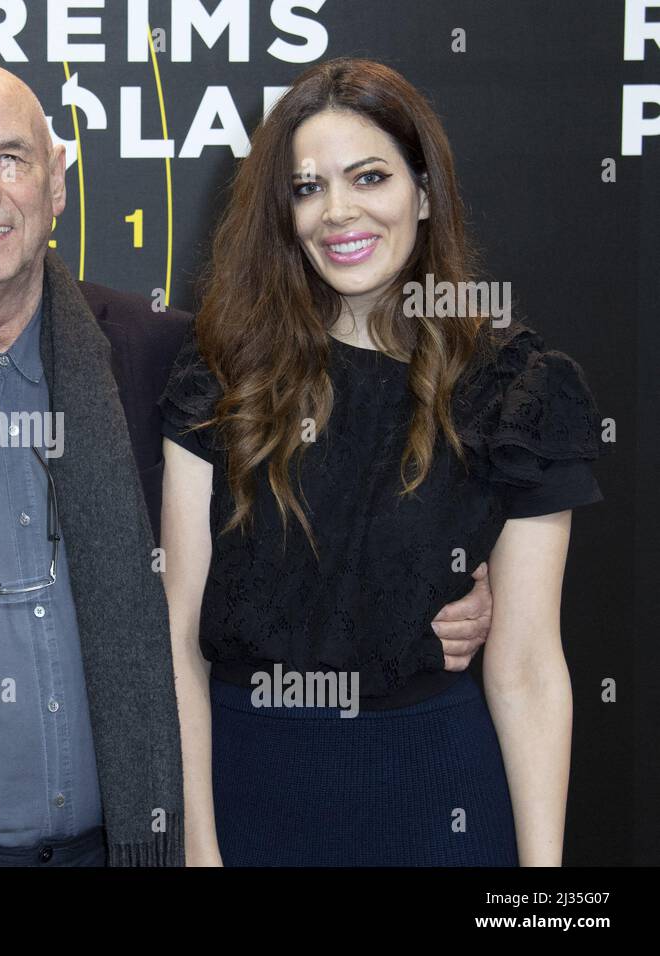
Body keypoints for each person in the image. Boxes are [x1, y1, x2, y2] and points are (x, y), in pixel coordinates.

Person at [0, 60, 495, 867]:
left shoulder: (171, 355)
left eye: (12, 158)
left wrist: (445, 572)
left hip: (136, 843)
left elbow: (310, 520)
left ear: (56, 181)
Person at [160, 58, 607, 866]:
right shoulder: (223, 372)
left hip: (440, 808)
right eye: (307, 188)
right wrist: (200, 849)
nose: (339, 212)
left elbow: (531, 668)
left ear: (425, 193)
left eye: (370, 176)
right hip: (248, 807)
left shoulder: (518, 388)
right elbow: (178, 640)